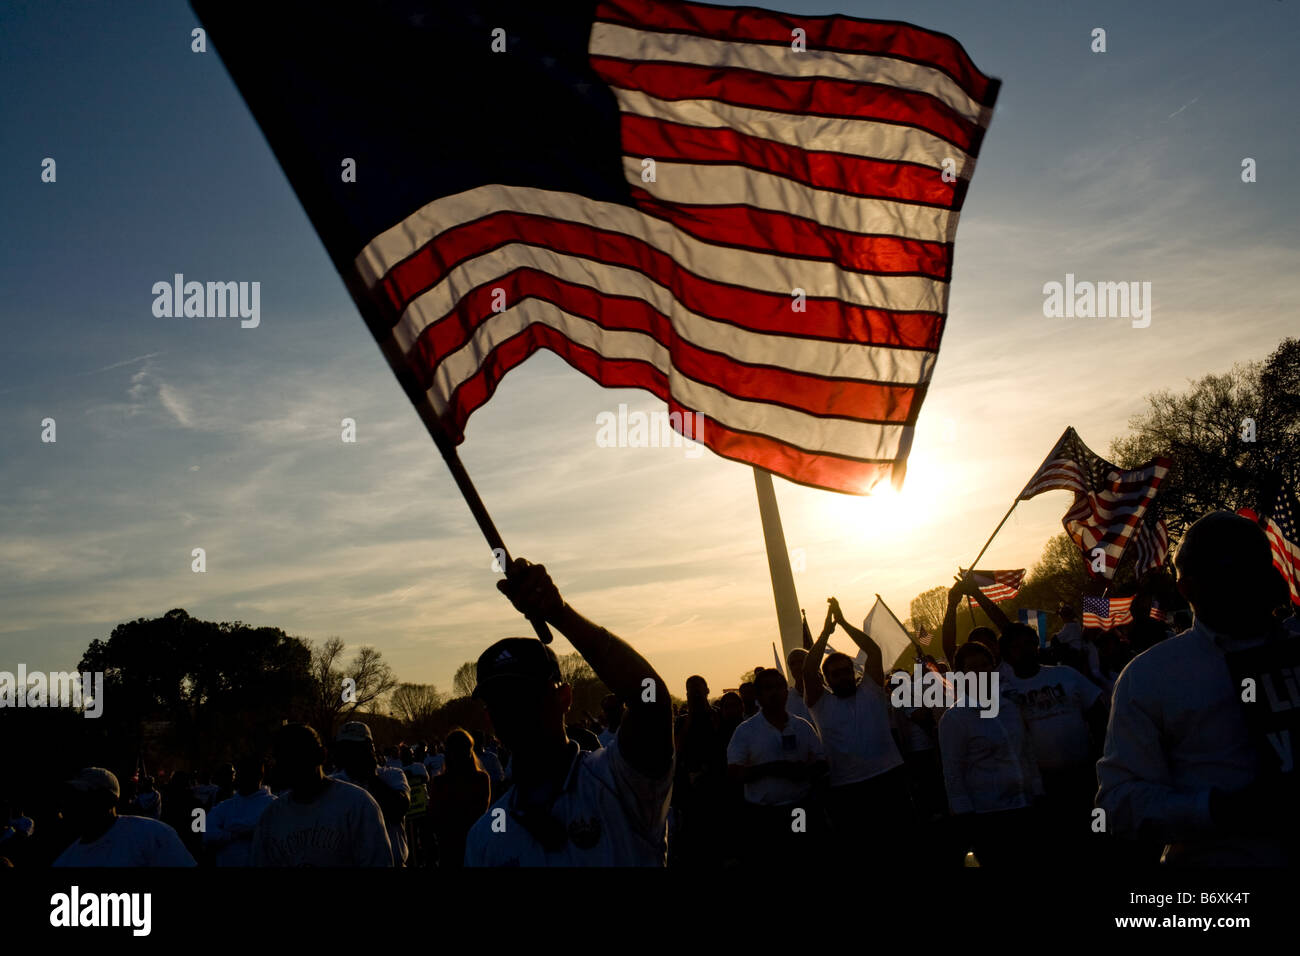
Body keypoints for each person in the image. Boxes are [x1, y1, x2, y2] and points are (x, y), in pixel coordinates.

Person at [1098, 511, 1299, 866]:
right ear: (1187, 587)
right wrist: (1217, 808)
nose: (1241, 583)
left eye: (1251, 567)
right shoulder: (1151, 676)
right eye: (1224, 572)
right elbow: (1119, 804)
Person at [463, 557, 673, 866]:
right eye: (500, 701)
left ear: (564, 697)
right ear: (489, 718)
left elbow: (650, 697)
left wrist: (558, 613)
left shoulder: (619, 780)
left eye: (526, 695)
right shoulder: (485, 836)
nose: (514, 711)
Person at [803, 599, 910, 855]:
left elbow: (873, 651)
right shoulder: (821, 704)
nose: (841, 676)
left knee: (904, 842)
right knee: (861, 850)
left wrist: (843, 623)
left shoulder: (871, 691)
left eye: (845, 671)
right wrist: (825, 633)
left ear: (854, 672)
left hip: (890, 777)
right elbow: (808, 669)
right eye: (835, 674)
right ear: (826, 680)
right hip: (848, 788)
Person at [999, 620, 1107, 859]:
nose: (1025, 650)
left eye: (1029, 644)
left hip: (1086, 774)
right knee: (1060, 841)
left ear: (1037, 645)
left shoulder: (1065, 674)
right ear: (1006, 654)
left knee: (1098, 831)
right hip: (1042, 785)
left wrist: (1102, 756)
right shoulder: (1002, 692)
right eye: (1017, 647)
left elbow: (1097, 713)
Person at [939, 642, 1043, 868]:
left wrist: (1037, 788)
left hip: (1025, 803)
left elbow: (1025, 751)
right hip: (989, 814)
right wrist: (964, 814)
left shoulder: (1009, 708)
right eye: (972, 668)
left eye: (985, 666)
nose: (981, 673)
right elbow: (953, 771)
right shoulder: (955, 718)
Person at [249, 723, 393, 866]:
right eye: (284, 758)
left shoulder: (358, 805)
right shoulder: (271, 817)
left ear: (321, 755)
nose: (292, 765)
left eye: (299, 756)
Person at [726, 666, 827, 865]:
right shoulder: (746, 731)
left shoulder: (801, 726)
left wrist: (804, 772)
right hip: (764, 816)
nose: (774, 692)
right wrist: (774, 769)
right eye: (767, 688)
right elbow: (735, 772)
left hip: (799, 810)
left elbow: (821, 762)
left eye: (779, 687)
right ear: (758, 695)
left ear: (785, 691)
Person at [53, 768, 196, 867]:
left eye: (81, 797)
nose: (69, 804)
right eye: (69, 797)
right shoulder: (66, 860)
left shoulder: (154, 835)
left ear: (108, 800)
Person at [330, 721, 412, 866]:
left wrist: (371, 777)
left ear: (369, 749)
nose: (351, 755)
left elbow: (399, 808)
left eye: (357, 749)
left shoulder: (392, 775)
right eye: (346, 749)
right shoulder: (333, 783)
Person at [429, 729, 491, 868]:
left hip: (457, 845)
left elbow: (435, 817)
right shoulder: (480, 779)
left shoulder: (440, 782)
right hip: (458, 846)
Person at [204, 756, 276, 867]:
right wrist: (235, 835)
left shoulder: (274, 804)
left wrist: (229, 829)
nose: (242, 777)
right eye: (241, 773)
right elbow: (207, 833)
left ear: (260, 776)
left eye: (248, 773)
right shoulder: (225, 806)